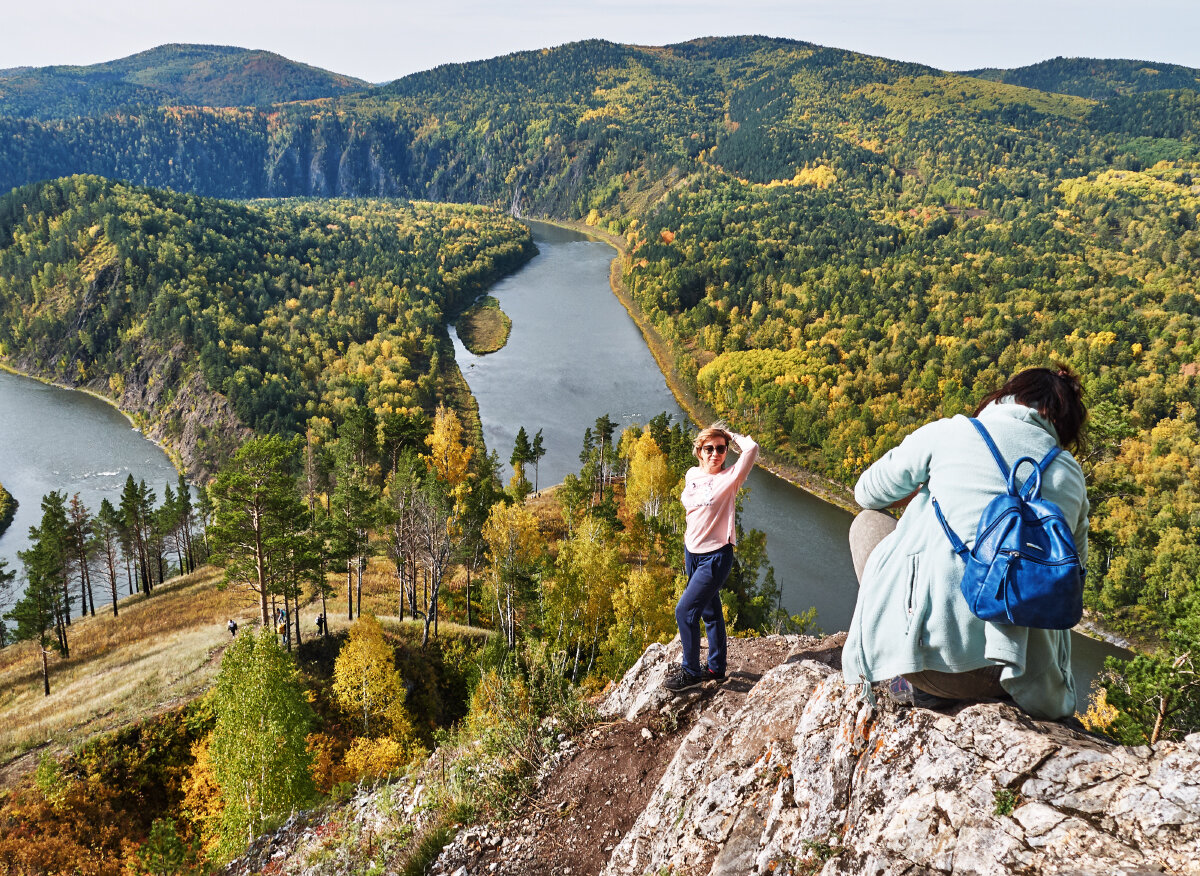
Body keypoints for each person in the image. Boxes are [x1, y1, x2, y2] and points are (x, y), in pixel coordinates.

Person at [843, 367, 1089, 719]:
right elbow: (1075, 579)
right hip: (1021, 680)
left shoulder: (951, 432)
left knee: (867, 523)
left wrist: (926, 489)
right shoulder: (1070, 475)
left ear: (1006, 396)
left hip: (930, 667)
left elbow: (866, 493)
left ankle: (905, 669)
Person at [663, 422, 759, 692]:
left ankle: (691, 672)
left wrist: (732, 435)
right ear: (699, 451)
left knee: (684, 612)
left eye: (721, 448)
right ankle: (716, 667)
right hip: (691, 551)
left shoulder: (730, 478)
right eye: (710, 448)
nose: (716, 453)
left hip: (715, 556)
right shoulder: (691, 474)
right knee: (710, 611)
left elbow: (752, 449)